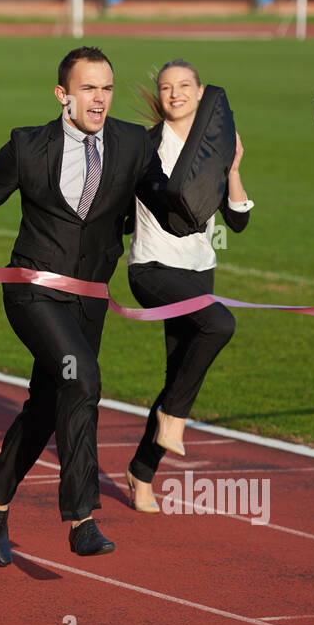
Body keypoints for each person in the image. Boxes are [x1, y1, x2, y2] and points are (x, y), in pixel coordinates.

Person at [0, 46, 194, 566]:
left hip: (88, 300)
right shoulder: (27, 146)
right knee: (84, 380)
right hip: (32, 291)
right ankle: (82, 519)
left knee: (50, 402)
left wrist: (209, 187)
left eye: (107, 89)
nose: (99, 99)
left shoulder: (130, 143)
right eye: (89, 88)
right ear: (63, 95)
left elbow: (167, 206)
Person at [124, 59, 252, 513]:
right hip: (152, 269)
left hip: (199, 270)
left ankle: (142, 471)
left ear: (201, 93)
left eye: (183, 86)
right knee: (218, 325)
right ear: (159, 97)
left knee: (178, 376)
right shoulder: (144, 147)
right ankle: (173, 420)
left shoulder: (213, 147)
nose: (174, 93)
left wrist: (233, 168)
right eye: (166, 87)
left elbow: (238, 221)